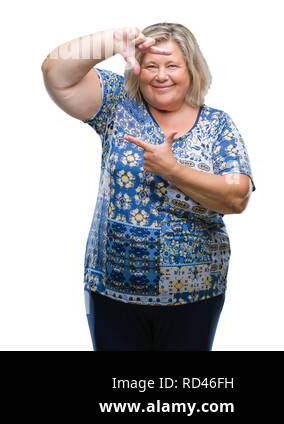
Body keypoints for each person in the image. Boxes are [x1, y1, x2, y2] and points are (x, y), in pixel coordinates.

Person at [42, 24, 252, 350]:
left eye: (172, 66)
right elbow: (55, 71)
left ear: (192, 70)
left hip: (195, 294)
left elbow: (236, 196)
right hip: (112, 289)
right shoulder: (118, 104)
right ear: (137, 70)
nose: (161, 76)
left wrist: (172, 170)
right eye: (151, 66)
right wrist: (111, 41)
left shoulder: (217, 125)